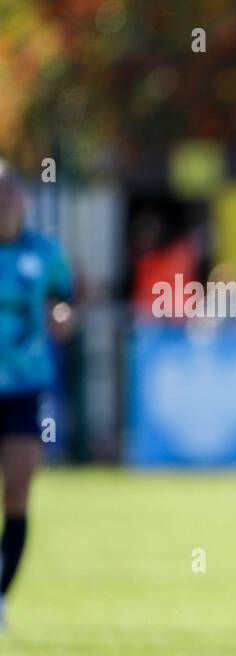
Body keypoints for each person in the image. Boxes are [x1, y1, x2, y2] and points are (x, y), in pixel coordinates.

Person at [0, 160, 75, 629]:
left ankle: (1, 594)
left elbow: (64, 300)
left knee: (17, 491)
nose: (3, 203)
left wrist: (64, 317)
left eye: (8, 193)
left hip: (25, 389)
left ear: (23, 200)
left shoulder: (45, 253)